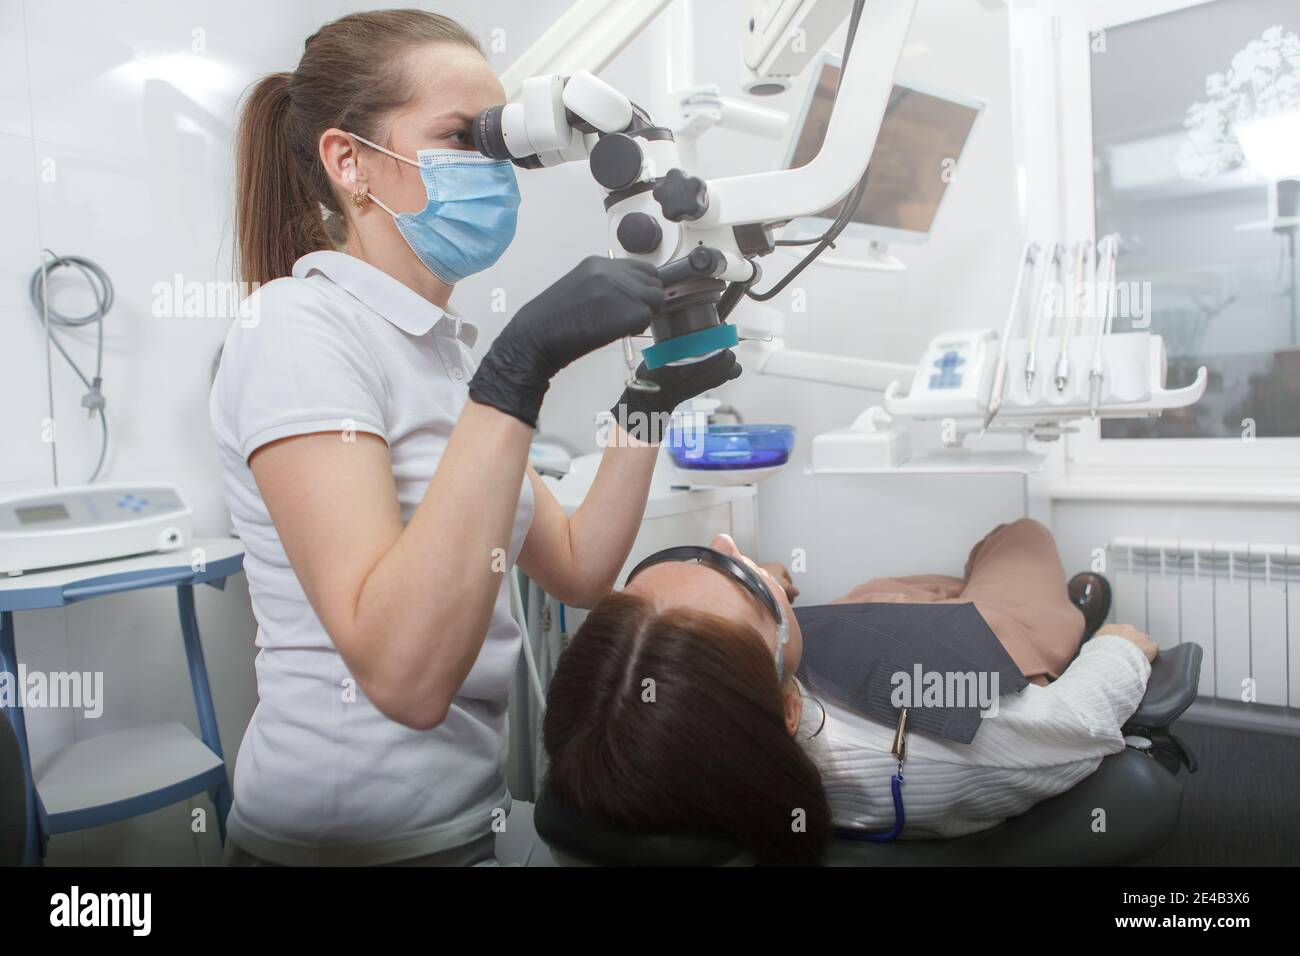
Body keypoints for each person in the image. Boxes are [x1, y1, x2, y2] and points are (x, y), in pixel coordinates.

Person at [210, 9, 739, 866]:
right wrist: (518, 371)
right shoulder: (296, 328)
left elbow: (575, 565)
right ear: (347, 161)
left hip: (469, 824)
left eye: (496, 147)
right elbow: (405, 678)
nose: (491, 171)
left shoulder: (435, 351)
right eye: (461, 137)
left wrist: (651, 396)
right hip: (340, 845)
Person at [542, 519, 1157, 865]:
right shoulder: (945, 737)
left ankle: (955, 592)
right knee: (1018, 539)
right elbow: (1075, 727)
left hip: (857, 636)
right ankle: (1071, 620)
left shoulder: (684, 727)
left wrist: (764, 596)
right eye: (744, 583)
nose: (729, 547)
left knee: (908, 589)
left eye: (705, 560)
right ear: (787, 710)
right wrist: (1124, 648)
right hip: (978, 651)